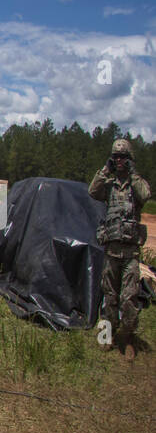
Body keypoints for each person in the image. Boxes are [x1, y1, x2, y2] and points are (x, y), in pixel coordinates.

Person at [89, 138, 150, 361]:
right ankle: (107, 335)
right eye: (116, 157)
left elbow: (145, 195)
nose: (119, 161)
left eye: (123, 157)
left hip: (131, 253)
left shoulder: (136, 185)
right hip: (111, 251)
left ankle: (127, 339)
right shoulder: (110, 186)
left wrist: (133, 175)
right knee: (110, 297)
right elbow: (92, 191)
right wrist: (105, 169)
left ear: (130, 159)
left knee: (129, 298)